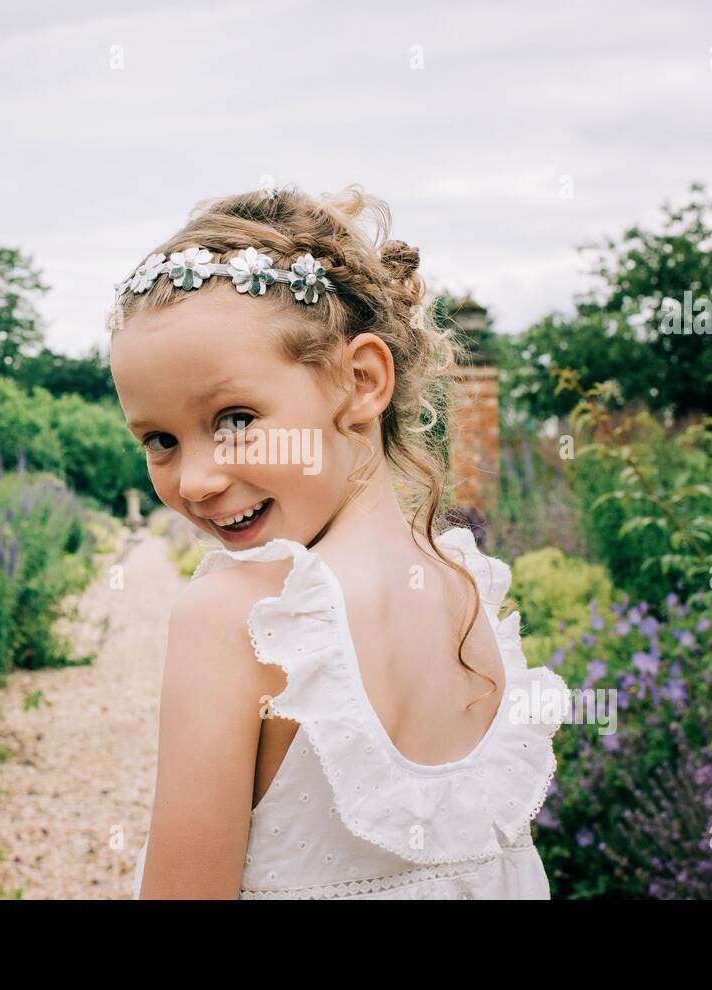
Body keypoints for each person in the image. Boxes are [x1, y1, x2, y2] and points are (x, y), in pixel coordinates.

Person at [108, 184, 568, 899]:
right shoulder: (465, 588)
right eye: (160, 439)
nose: (195, 480)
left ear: (360, 381)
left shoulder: (242, 616)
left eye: (234, 418)